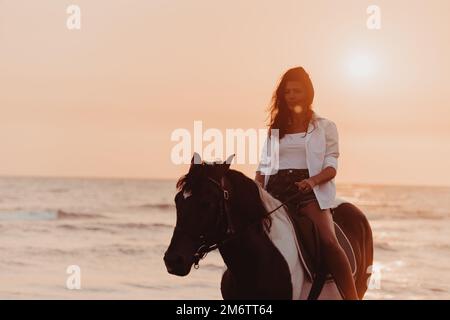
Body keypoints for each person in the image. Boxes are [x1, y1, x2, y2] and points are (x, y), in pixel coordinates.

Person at [255, 66, 358, 300]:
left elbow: (331, 167)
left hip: (308, 190)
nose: (291, 95)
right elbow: (263, 166)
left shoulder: (325, 127)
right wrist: (258, 187)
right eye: (287, 91)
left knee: (329, 241)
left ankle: (351, 296)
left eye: (296, 91)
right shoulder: (276, 128)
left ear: (308, 94)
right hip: (275, 190)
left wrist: (311, 182)